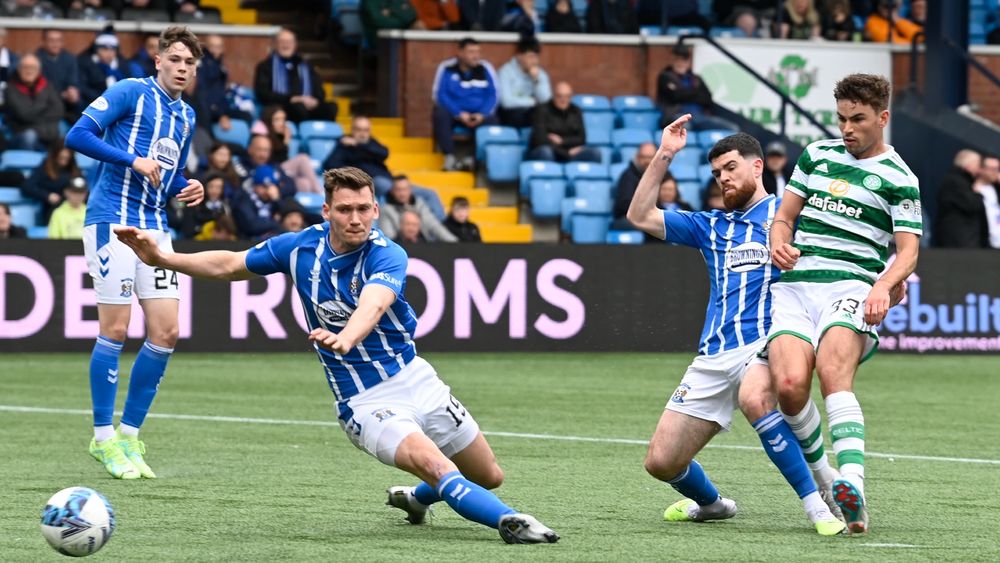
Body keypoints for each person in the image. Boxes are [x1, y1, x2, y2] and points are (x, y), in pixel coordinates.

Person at [113, 166, 560, 544]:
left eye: (363, 209)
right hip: (365, 403)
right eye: (344, 209)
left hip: (417, 379)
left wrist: (347, 335)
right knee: (436, 465)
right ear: (327, 211)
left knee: (488, 475)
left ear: (375, 210)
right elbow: (230, 264)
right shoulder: (299, 247)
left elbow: (375, 303)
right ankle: (508, 521)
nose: (355, 218)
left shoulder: (389, 255)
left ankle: (416, 498)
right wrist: (165, 260)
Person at [626, 118, 846, 536]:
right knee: (662, 462)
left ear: (757, 166)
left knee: (756, 399)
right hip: (713, 355)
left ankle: (817, 504)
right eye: (716, 173)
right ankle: (712, 505)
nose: (723, 178)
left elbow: (841, 251)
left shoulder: (790, 216)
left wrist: (890, 281)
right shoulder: (712, 226)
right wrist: (665, 154)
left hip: (766, 344)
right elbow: (639, 215)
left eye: (730, 168)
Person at [767, 73, 921, 534]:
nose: (847, 128)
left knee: (833, 373)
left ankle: (854, 481)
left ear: (882, 118)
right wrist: (779, 241)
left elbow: (908, 251)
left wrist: (882, 285)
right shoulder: (816, 155)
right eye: (841, 119)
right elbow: (784, 218)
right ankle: (830, 481)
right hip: (794, 287)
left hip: (850, 287)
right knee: (791, 385)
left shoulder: (900, 178)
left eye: (857, 119)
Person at [64, 26, 206, 481]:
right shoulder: (130, 91)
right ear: (159, 59)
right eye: (176, 59)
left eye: (190, 63)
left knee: (166, 332)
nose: (182, 68)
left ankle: (129, 434)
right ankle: (102, 437)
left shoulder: (187, 117)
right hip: (112, 222)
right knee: (117, 328)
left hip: (156, 229)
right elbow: (77, 135)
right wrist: (130, 159)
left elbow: (170, 171)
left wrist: (188, 185)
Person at [431, 37, 499, 171]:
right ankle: (449, 156)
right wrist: (458, 113)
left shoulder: (485, 68)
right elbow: (439, 94)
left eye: (478, 52)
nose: (476, 56)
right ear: (460, 53)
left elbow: (493, 95)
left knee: (493, 120)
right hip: (455, 114)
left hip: (478, 114)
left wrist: (482, 114)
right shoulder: (447, 67)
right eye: (471, 52)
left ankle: (471, 159)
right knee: (439, 112)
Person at [253, 28, 337, 124]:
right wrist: (292, 99)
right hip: (281, 106)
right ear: (275, 44)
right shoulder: (265, 66)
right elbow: (262, 93)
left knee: (331, 107)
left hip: (307, 106)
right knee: (298, 108)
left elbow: (319, 91)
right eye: (282, 42)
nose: (286, 45)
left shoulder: (306, 66)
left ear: (295, 45)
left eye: (289, 42)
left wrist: (315, 101)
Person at [656, 43, 735, 131]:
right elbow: (675, 96)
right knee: (685, 130)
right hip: (677, 116)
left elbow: (707, 99)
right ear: (672, 61)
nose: (680, 63)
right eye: (677, 59)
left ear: (689, 62)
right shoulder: (665, 76)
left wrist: (684, 93)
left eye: (684, 60)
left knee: (732, 128)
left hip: (700, 116)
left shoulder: (696, 78)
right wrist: (696, 93)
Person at [251, 105, 323, 194]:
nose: (281, 123)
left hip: (283, 171)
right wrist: (285, 142)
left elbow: (284, 159)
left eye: (283, 119)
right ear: (269, 120)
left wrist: (284, 140)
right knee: (302, 158)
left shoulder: (279, 135)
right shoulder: (262, 136)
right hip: (270, 170)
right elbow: (273, 160)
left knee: (305, 184)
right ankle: (321, 193)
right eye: (277, 120)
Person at [527, 81, 601, 163]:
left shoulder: (576, 111)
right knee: (546, 151)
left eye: (567, 96)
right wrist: (565, 153)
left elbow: (581, 139)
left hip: (569, 153)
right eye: (560, 96)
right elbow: (540, 140)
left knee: (595, 153)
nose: (563, 100)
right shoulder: (541, 110)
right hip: (549, 152)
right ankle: (551, 174)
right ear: (553, 95)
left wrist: (562, 141)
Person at [5, 53, 64, 151]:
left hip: (48, 133)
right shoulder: (10, 88)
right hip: (21, 135)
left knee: (66, 138)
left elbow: (58, 110)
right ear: (19, 69)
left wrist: (36, 113)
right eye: (25, 67)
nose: (29, 70)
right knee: (30, 136)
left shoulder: (47, 85)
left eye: (33, 67)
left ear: (39, 70)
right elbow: (24, 115)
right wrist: (43, 103)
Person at [379, 174, 457, 242]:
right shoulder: (386, 209)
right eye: (398, 190)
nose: (402, 193)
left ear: (410, 190)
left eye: (405, 189)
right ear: (392, 191)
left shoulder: (420, 204)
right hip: (400, 248)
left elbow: (434, 226)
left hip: (423, 245)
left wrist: (456, 244)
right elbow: (388, 238)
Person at [934, 149, 987, 248]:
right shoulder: (956, 182)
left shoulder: (959, 181)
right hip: (960, 241)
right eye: (978, 165)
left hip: (961, 240)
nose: (980, 170)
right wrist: (978, 193)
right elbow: (971, 205)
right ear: (968, 165)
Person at [21, 139, 82, 222]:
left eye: (67, 159)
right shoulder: (45, 168)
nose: (63, 162)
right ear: (55, 155)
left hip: (74, 208)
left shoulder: (73, 168)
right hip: (53, 209)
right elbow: (27, 187)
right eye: (61, 158)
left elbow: (83, 187)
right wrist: (47, 195)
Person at [497, 36, 551, 129]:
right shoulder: (505, 71)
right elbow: (506, 102)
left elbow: (546, 101)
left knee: (546, 116)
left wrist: (536, 80)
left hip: (532, 112)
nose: (534, 61)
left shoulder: (540, 74)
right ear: (519, 56)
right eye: (530, 57)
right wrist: (532, 101)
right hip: (511, 113)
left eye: (536, 57)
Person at [77, 27, 130, 107]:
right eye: (105, 49)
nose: (109, 53)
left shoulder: (122, 65)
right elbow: (83, 88)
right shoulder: (86, 63)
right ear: (97, 49)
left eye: (112, 50)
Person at [36, 29, 82, 118]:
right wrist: (62, 94)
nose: (55, 44)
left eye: (58, 40)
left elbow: (74, 82)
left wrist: (73, 92)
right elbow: (39, 89)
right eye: (51, 40)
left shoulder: (70, 58)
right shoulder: (36, 59)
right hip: (43, 109)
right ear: (43, 42)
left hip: (67, 108)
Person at [612, 142, 657, 229]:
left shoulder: (663, 175)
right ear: (637, 157)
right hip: (629, 219)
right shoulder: (628, 176)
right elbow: (623, 205)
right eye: (643, 157)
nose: (647, 161)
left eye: (651, 157)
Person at [48, 175, 89, 239]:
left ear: (86, 193)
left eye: (81, 192)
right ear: (66, 192)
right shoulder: (58, 213)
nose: (78, 195)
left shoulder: (90, 212)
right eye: (74, 192)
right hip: (64, 248)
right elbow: (53, 240)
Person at [973, 154, 1000, 249]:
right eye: (991, 169)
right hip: (985, 244)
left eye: (997, 169)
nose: (994, 172)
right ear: (981, 169)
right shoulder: (972, 189)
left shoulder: (995, 188)